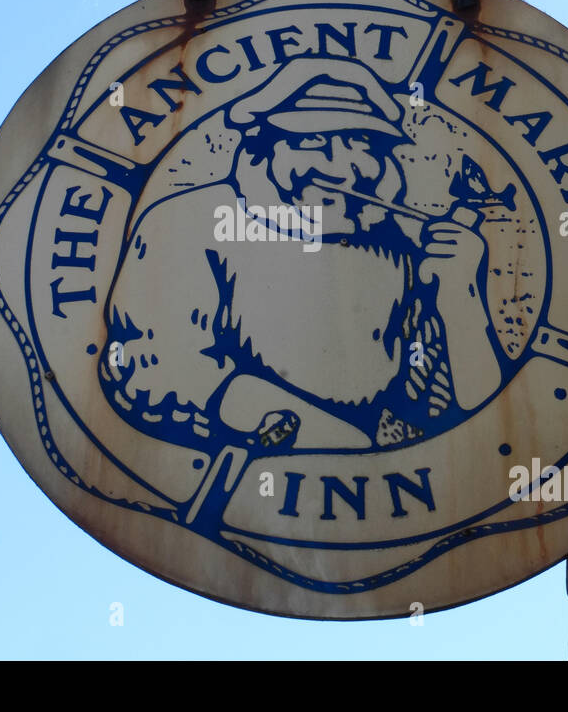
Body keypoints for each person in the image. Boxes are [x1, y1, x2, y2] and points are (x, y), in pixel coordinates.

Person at [99, 56, 505, 453]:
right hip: (258, 476)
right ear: (262, 147)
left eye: (359, 143)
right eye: (310, 141)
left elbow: (482, 416)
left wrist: (462, 298)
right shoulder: (190, 221)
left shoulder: (399, 244)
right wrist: (345, 443)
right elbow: (157, 372)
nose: (340, 169)